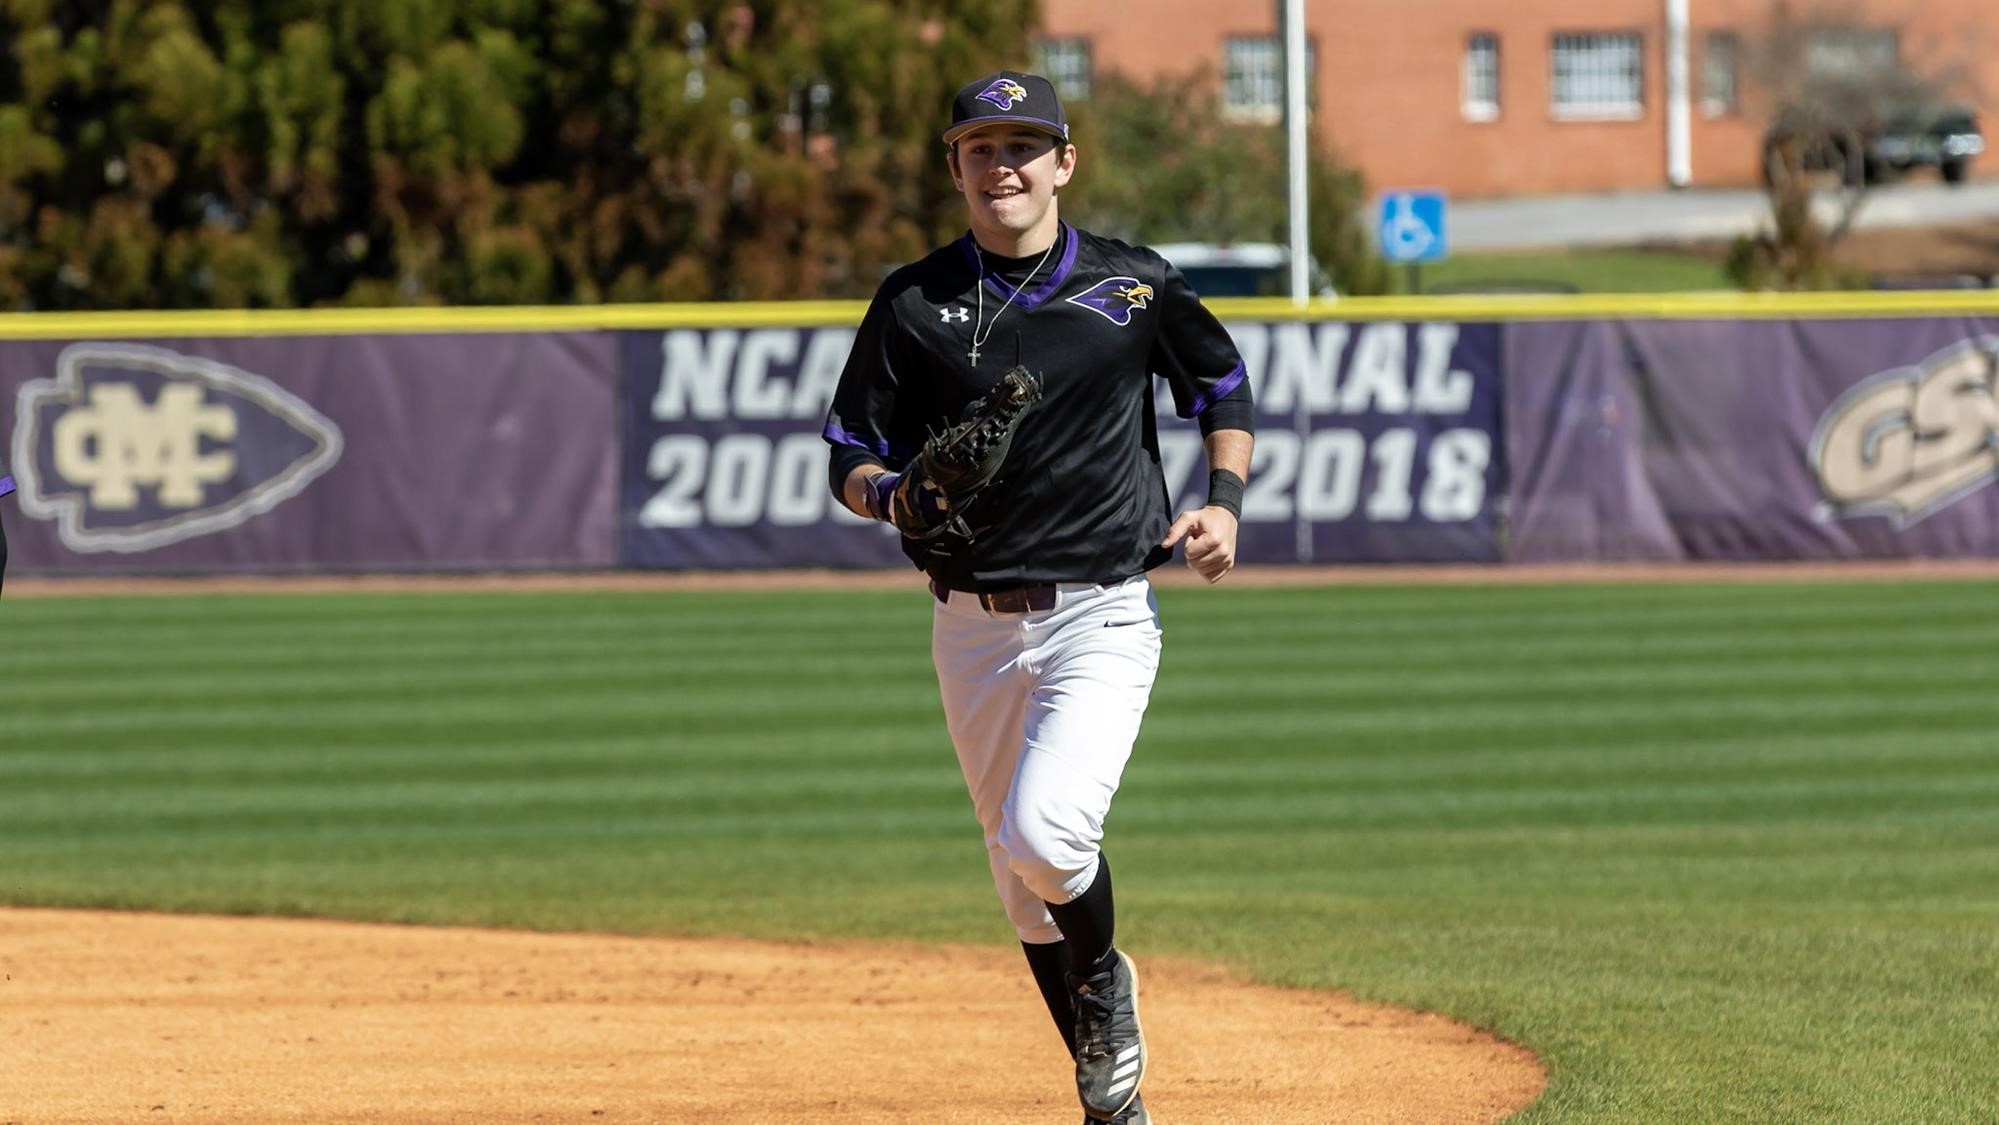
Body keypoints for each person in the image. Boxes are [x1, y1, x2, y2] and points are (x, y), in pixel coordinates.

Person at [822, 70, 1255, 1124]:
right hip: (967, 626)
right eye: (981, 147)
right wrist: (892, 495)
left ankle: (1106, 984)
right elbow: (847, 452)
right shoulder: (914, 302)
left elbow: (1221, 386)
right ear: (956, 166)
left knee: (1048, 834)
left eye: (1024, 147)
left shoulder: (1132, 286)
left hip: (1098, 610)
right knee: (1022, 890)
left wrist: (1223, 502)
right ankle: (1112, 1106)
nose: (1001, 165)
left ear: (1064, 163)